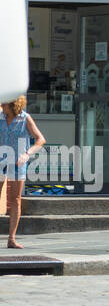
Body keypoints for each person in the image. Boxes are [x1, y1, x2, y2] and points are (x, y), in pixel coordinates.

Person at [1, 97, 46, 249]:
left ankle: (11, 239)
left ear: (13, 105)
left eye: (4, 103)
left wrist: (27, 154)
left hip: (18, 162)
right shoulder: (0, 117)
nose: (1, 105)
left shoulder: (25, 118)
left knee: (16, 199)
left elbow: (40, 139)